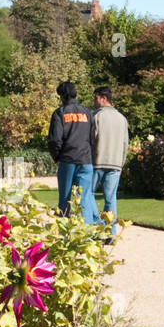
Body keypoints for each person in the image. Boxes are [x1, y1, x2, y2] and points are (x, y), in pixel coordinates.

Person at [46, 81, 98, 223]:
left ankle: (64, 235)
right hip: (86, 160)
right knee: (85, 198)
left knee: (65, 198)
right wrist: (91, 158)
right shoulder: (88, 113)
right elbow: (93, 138)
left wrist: (57, 156)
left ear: (62, 96)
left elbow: (54, 140)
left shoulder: (60, 113)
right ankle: (85, 237)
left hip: (68, 160)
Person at [91, 86, 129, 243]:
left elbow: (91, 140)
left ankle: (98, 226)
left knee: (87, 195)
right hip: (115, 163)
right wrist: (121, 163)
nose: (94, 101)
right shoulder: (122, 118)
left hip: (97, 162)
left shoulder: (96, 116)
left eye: (95, 98)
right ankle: (111, 233)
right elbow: (125, 143)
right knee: (111, 198)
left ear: (102, 98)